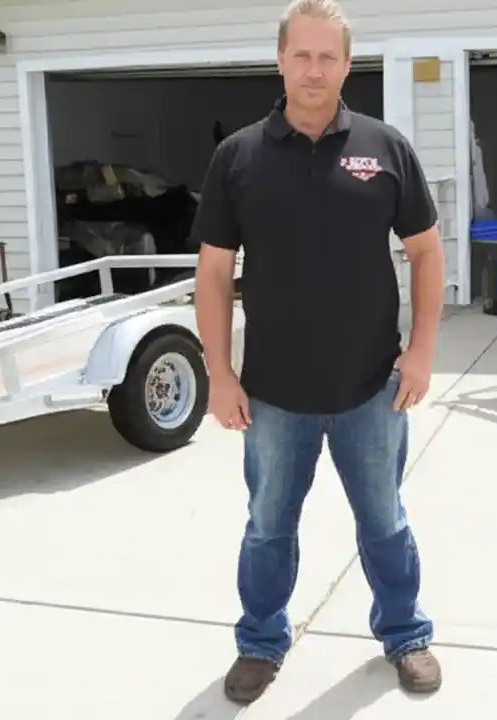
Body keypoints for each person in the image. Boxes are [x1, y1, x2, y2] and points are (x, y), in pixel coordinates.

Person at [191, 0, 446, 706]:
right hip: (273, 392)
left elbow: (426, 253)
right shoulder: (237, 157)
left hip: (372, 387)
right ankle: (260, 641)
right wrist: (220, 374)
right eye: (300, 55)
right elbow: (212, 273)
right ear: (279, 60)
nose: (313, 69)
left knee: (385, 520)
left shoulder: (385, 148)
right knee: (269, 526)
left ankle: (405, 632)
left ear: (346, 64)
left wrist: (421, 352)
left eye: (327, 56)